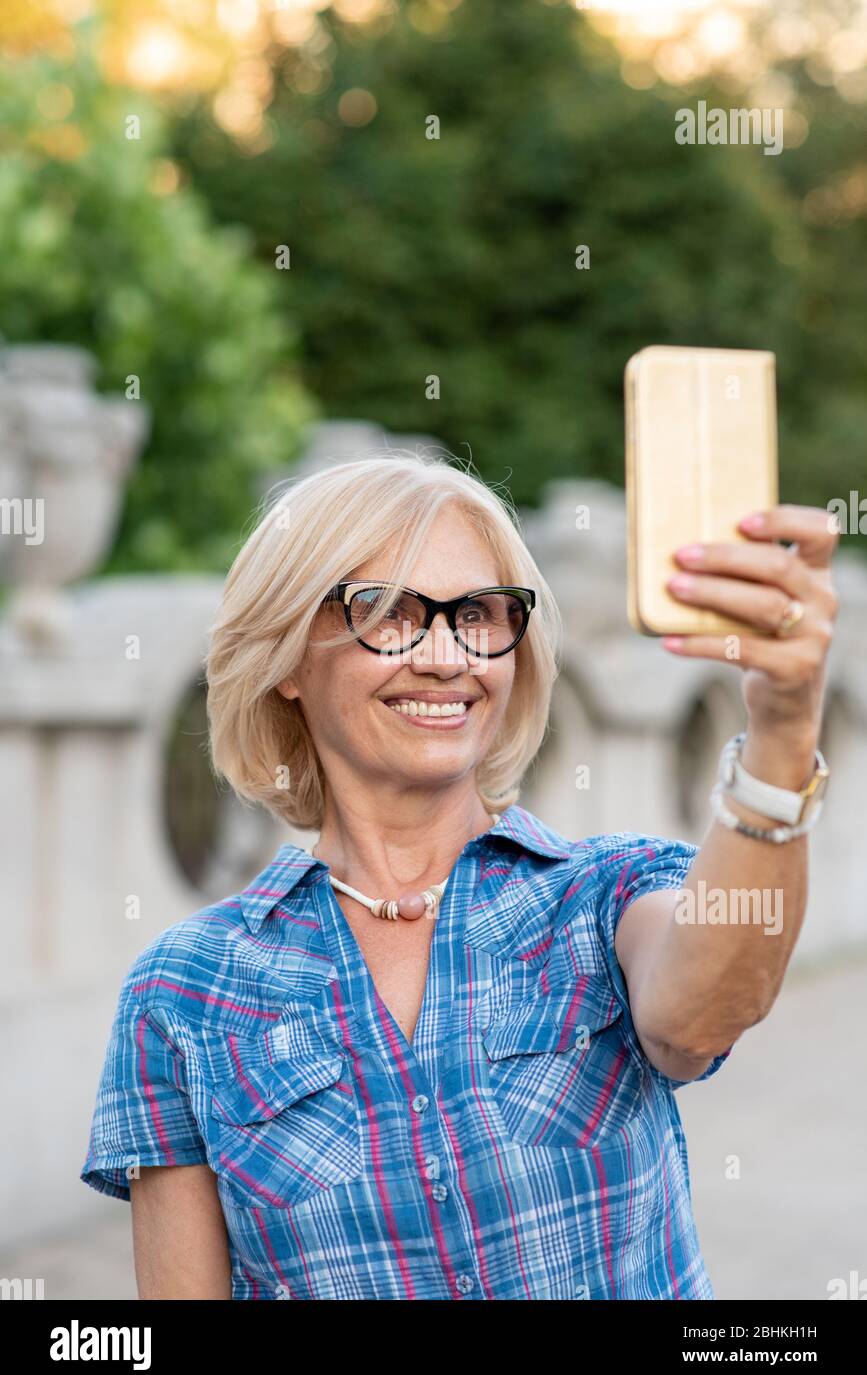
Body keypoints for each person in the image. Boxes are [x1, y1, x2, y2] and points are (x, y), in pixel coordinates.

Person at [80, 453, 838, 1299]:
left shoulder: (606, 895)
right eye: (387, 612)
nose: (446, 656)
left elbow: (701, 1015)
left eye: (478, 614)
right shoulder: (184, 990)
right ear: (287, 658)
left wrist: (780, 729)